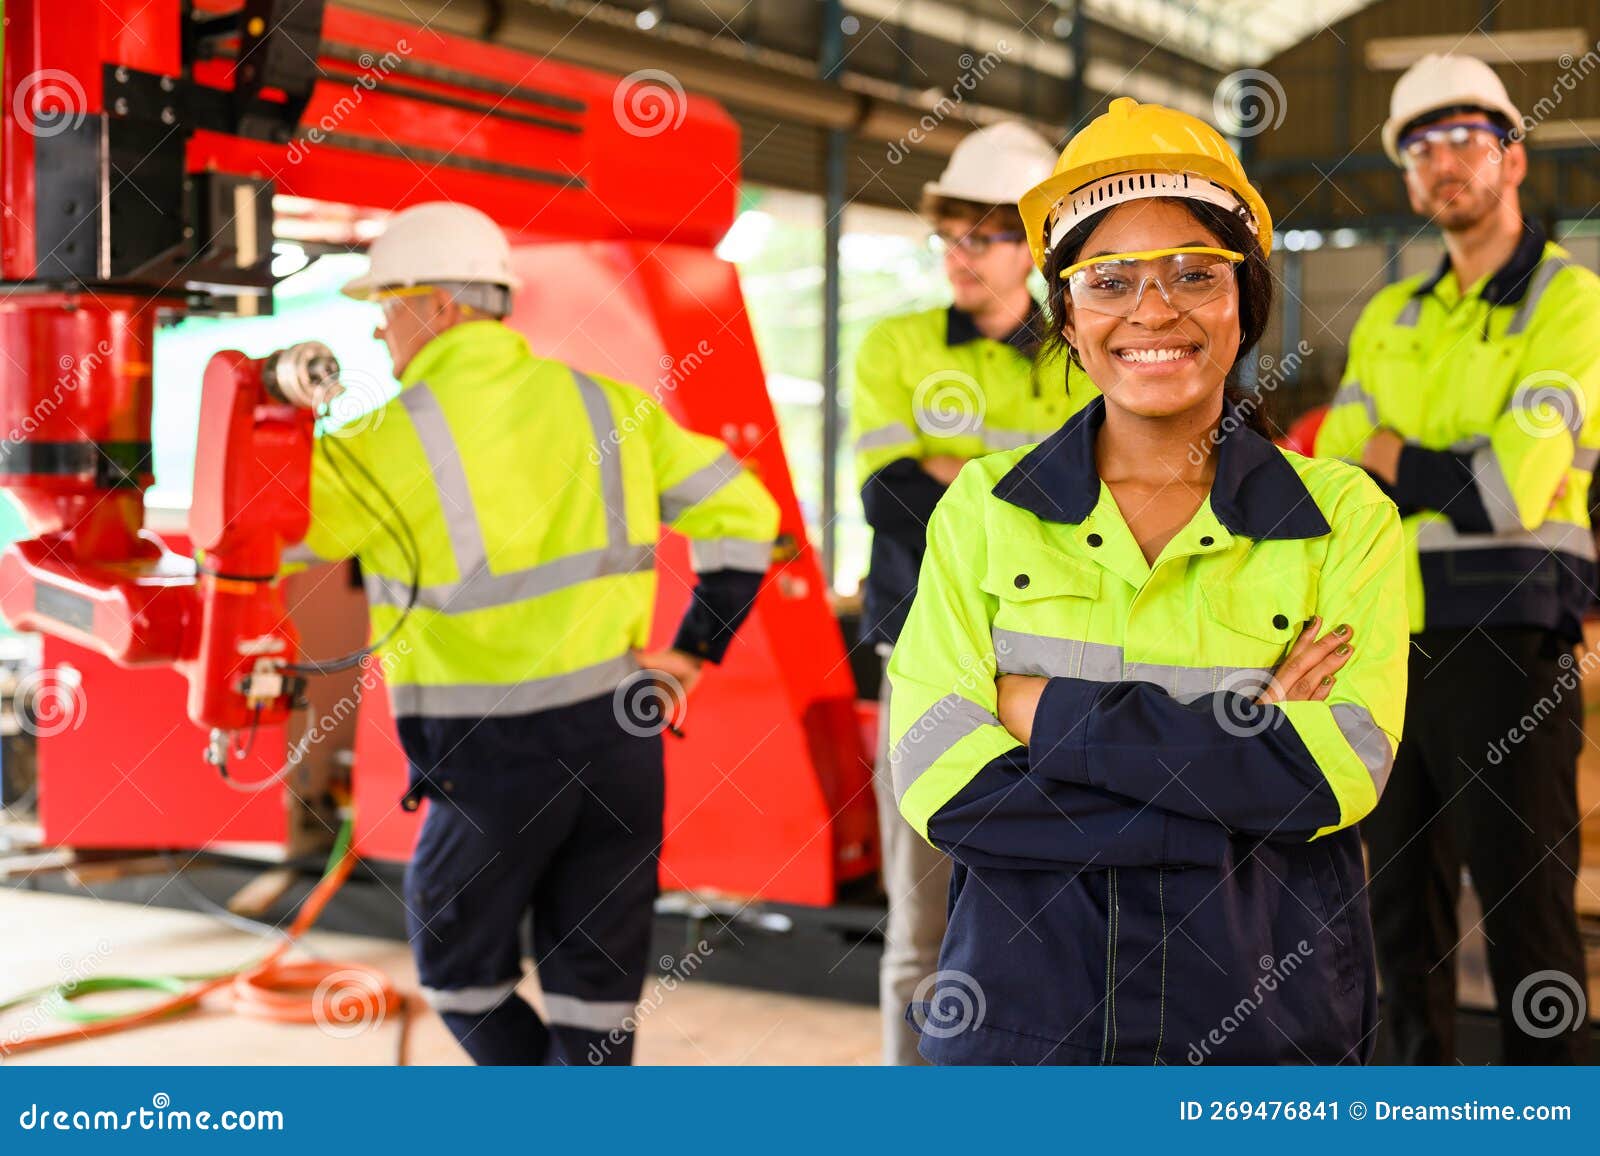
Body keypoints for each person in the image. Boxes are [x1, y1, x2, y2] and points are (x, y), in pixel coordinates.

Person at [886, 97, 1408, 1064]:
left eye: (1194, 274)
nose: (1153, 310)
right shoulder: (984, 511)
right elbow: (941, 781)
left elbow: (1336, 771)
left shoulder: (1346, 518)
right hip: (1030, 1019)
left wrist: (1044, 714)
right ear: (1069, 316)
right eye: (1108, 280)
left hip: (1264, 1019)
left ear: (1245, 301)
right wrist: (1236, 770)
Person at [286, 201, 780, 1064]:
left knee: (458, 973)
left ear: (437, 306)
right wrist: (696, 652)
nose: (378, 336)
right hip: (620, 741)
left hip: (490, 764)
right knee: (597, 993)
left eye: (385, 309)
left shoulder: (374, 446)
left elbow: (260, 539)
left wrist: (269, 422)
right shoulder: (607, 408)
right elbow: (748, 516)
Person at [1316, 55, 1600, 1064]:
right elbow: (1335, 480)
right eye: (1419, 147)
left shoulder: (1572, 302)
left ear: (1511, 156)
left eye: (1465, 138)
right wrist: (1405, 463)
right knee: (1397, 921)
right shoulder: (1391, 315)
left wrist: (1394, 453)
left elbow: (1508, 490)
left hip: (1509, 647)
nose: (1443, 162)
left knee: (1527, 929)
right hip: (1389, 649)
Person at [851, 120, 1099, 1065]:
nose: (958, 255)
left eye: (982, 234)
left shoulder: (1086, 354)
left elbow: (1108, 509)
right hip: (924, 657)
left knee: (1056, 909)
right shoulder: (895, 346)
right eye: (948, 234)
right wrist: (1030, 489)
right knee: (919, 925)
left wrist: (963, 474)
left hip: (1056, 669)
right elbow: (890, 498)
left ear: (1034, 246)